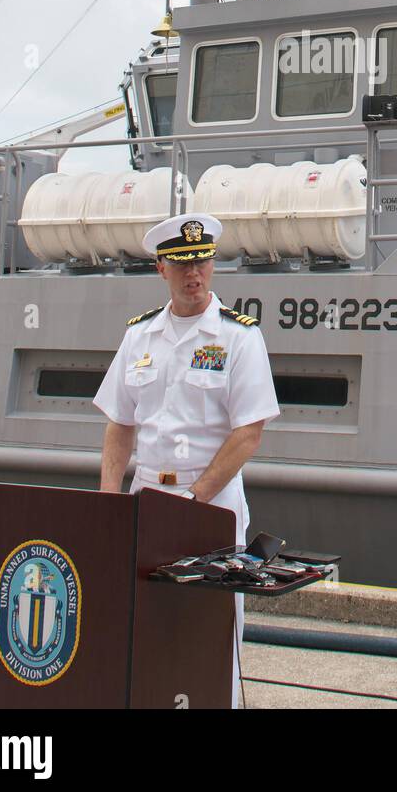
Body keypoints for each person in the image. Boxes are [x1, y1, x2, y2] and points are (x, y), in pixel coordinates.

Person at [93, 212, 280, 707]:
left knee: (211, 630)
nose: (194, 275)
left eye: (201, 262)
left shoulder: (238, 337)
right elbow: (119, 423)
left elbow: (249, 432)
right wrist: (109, 497)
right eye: (181, 266)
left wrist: (193, 500)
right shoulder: (140, 337)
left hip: (210, 506)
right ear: (161, 270)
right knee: (145, 621)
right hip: (148, 500)